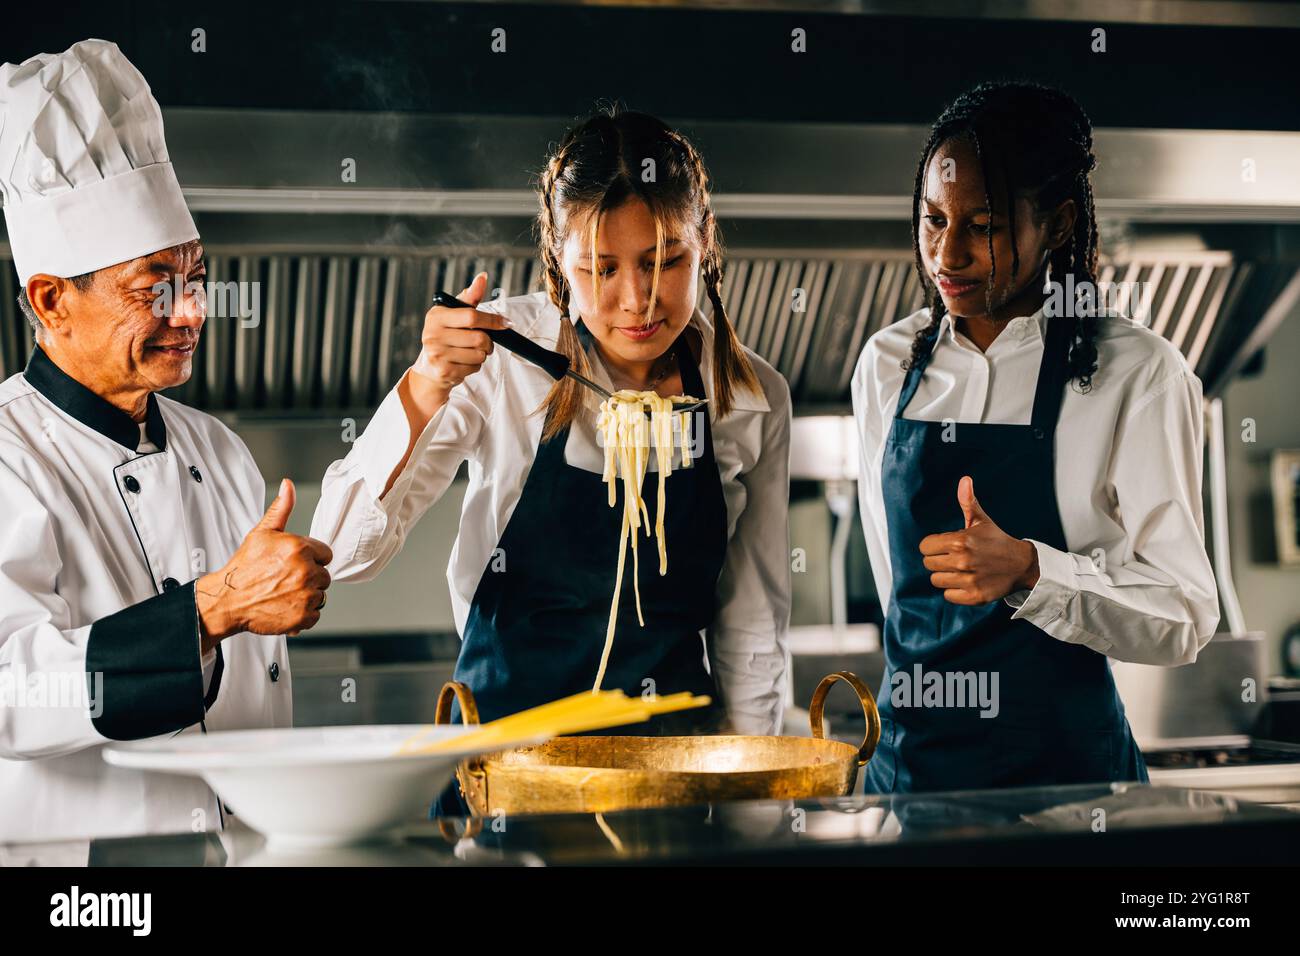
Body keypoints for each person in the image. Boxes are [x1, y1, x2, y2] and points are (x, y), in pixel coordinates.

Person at [312, 108, 792, 742]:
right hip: (506, 773)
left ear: (704, 246)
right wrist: (427, 382)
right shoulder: (504, 362)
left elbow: (752, 627)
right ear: (558, 264)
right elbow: (341, 554)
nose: (637, 301)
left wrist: (754, 806)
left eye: (665, 261)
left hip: (673, 779)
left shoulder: (751, 398)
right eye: (603, 268)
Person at [0, 39, 331, 842]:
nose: (192, 313)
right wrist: (213, 610)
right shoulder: (10, 457)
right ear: (50, 300)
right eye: (156, 286)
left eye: (197, 278)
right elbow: (13, 693)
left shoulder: (218, 451)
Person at [851, 81, 1219, 793]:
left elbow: (1185, 613)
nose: (946, 255)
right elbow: (896, 590)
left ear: (1056, 224)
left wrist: (1029, 569)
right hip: (909, 788)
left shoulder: (1134, 373)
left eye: (981, 225)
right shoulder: (886, 365)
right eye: (932, 220)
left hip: (1068, 793)